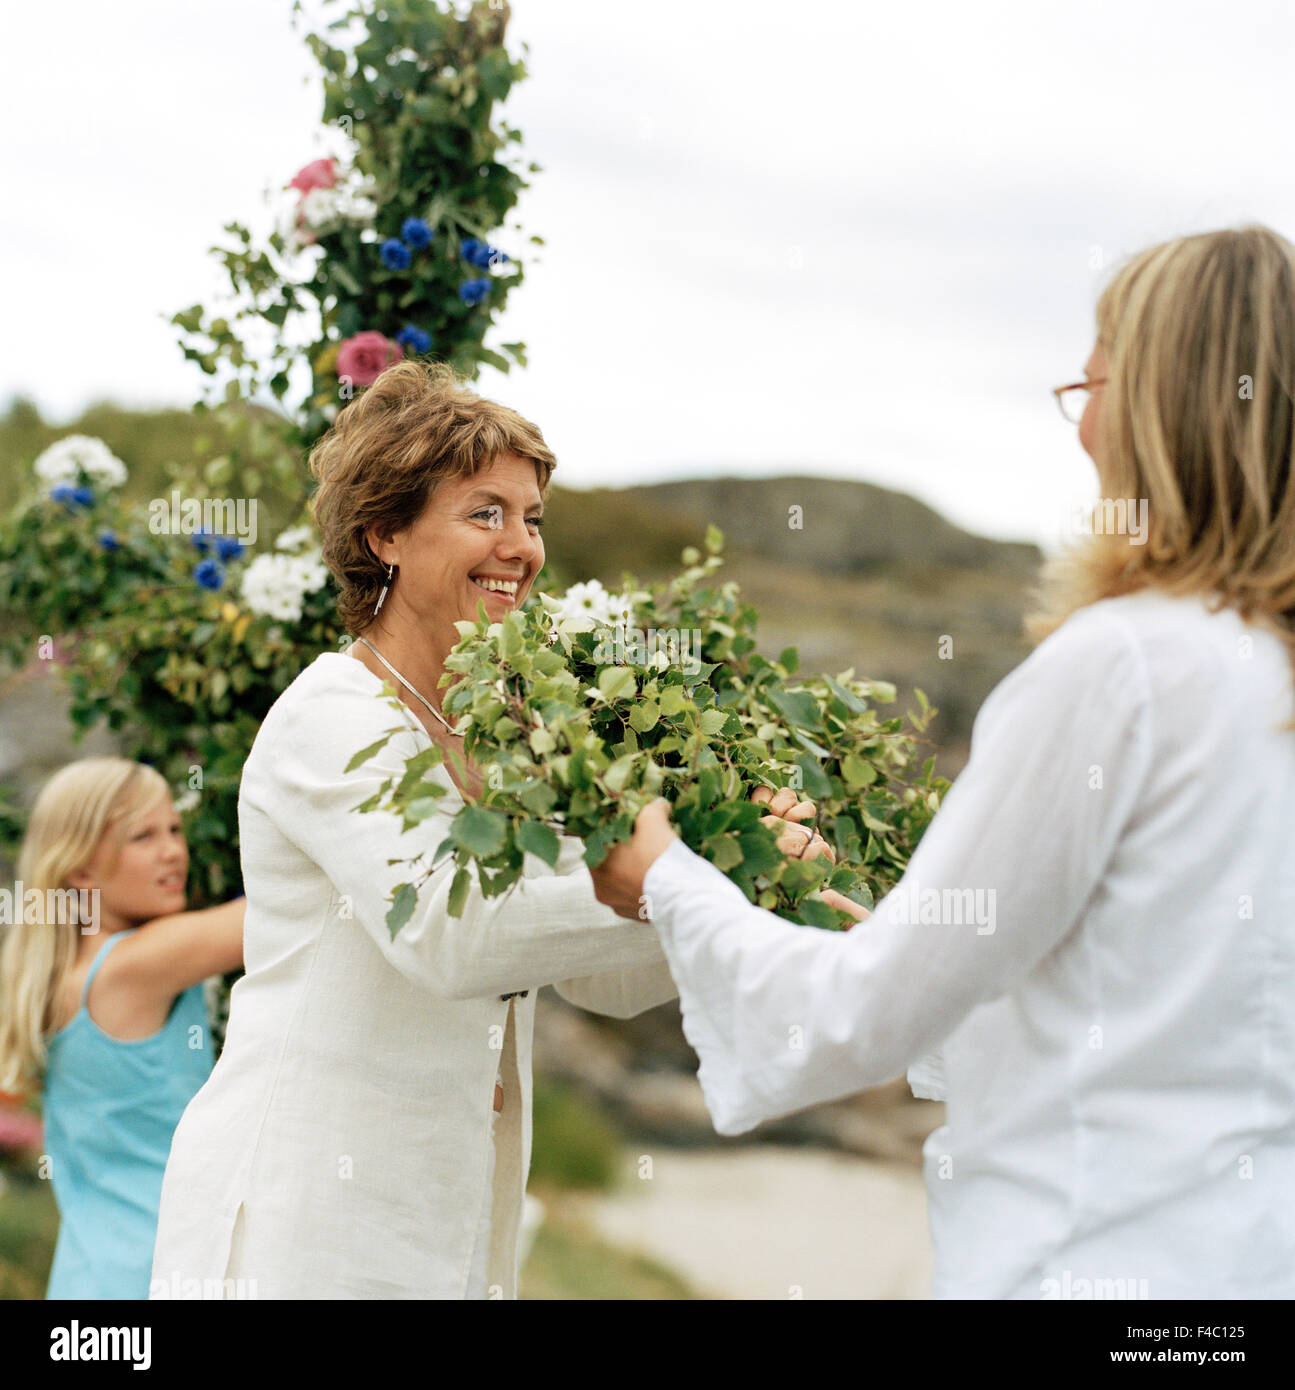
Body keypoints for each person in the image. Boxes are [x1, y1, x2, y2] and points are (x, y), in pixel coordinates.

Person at [589, 224, 1295, 1300]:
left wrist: (671, 885)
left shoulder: (1120, 668)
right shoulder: (1264, 670)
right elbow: (1180, 1007)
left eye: (1090, 381)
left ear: (1159, 403)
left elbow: (852, 1019)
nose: (1081, 427)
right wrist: (916, 952)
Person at [151, 361, 827, 1300]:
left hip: (455, 1219)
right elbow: (451, 931)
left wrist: (749, 879)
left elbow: (603, 975)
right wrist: (686, 866)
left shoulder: (509, 733)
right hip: (304, 1218)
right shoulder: (332, 716)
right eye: (485, 513)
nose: (521, 546)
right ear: (384, 533)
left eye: (532, 518)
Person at [0, 757, 246, 1298]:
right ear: (81, 868)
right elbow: (284, 910)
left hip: (89, 1281)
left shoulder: (64, 978)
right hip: (149, 1279)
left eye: (175, 830)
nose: (173, 852)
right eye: (143, 836)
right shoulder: (131, 967)